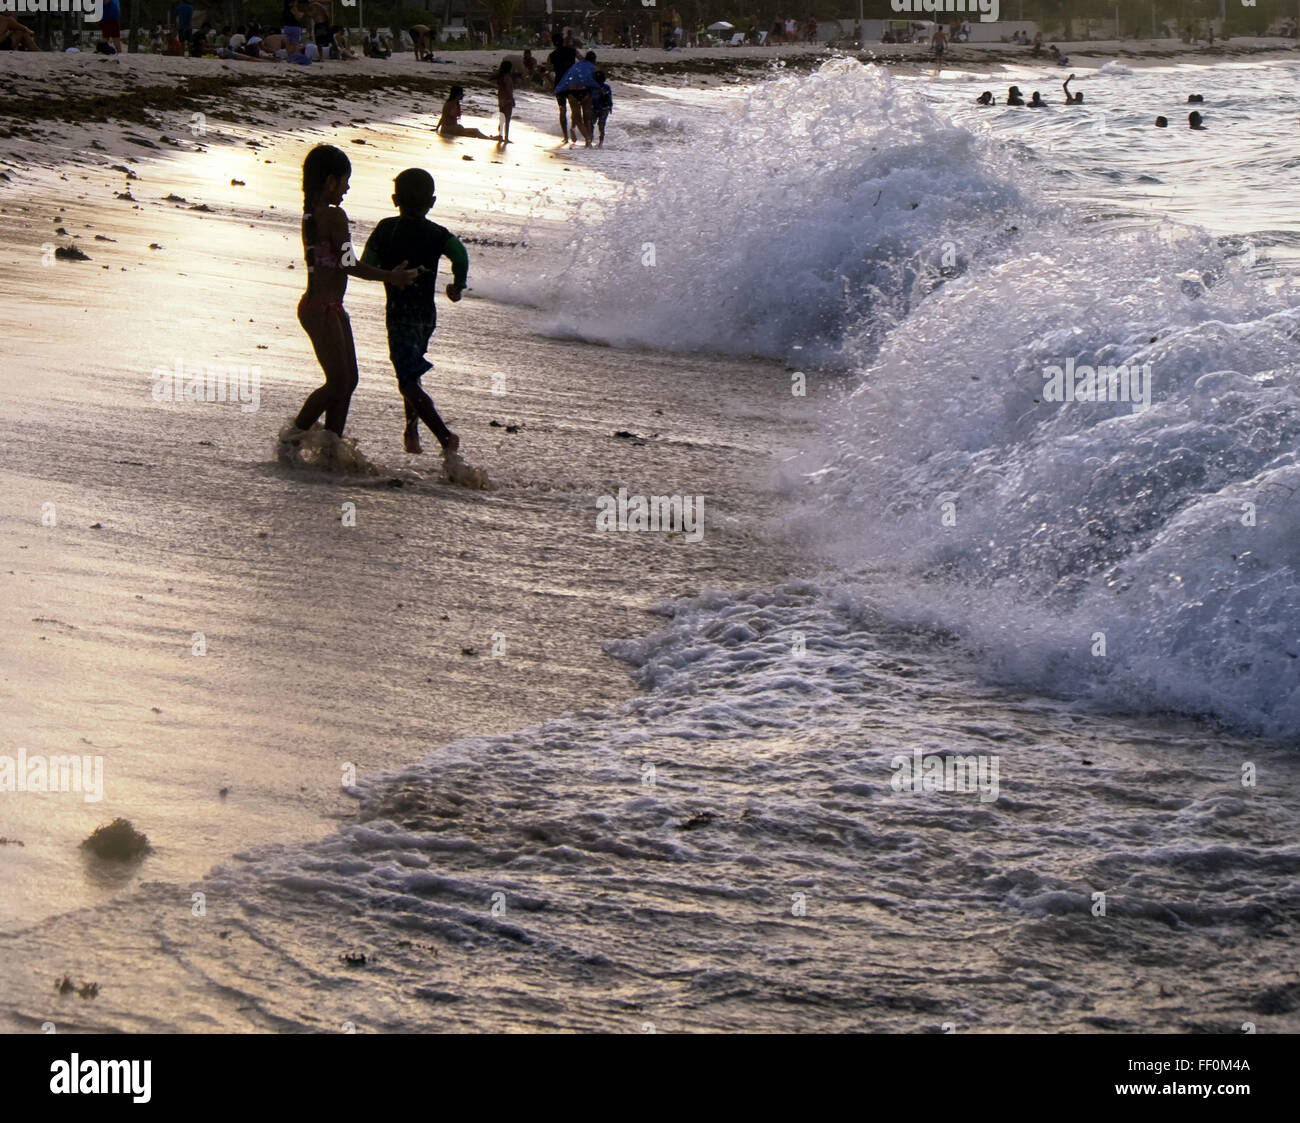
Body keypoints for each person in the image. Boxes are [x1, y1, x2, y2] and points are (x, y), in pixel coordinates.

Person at [292, 145, 416, 439]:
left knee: (348, 381)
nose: (347, 188)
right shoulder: (334, 216)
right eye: (346, 181)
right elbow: (349, 264)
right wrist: (392, 276)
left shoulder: (311, 214)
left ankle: (331, 443)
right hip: (321, 308)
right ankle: (293, 436)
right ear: (330, 181)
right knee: (338, 382)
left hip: (325, 306)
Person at [362, 169, 469, 456]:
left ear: (394, 198)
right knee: (411, 372)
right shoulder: (437, 233)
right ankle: (411, 430)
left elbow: (365, 263)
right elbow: (459, 253)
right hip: (426, 318)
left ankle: (446, 437)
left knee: (407, 379)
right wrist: (458, 284)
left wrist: (385, 274)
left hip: (399, 316)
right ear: (432, 202)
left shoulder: (386, 228)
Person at [555, 53, 600, 146]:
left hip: (572, 92)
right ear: (593, 60)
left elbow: (566, 79)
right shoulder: (592, 67)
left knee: (577, 117)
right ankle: (588, 141)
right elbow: (591, 80)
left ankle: (585, 137)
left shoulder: (575, 66)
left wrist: (559, 90)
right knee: (587, 118)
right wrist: (599, 88)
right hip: (585, 92)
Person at [548, 32, 578, 143]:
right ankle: (573, 129)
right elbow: (583, 60)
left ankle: (565, 137)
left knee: (562, 110)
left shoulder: (552, 55)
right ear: (563, 41)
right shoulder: (572, 51)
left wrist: (552, 84)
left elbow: (548, 71)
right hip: (571, 84)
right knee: (574, 108)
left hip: (559, 84)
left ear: (553, 43)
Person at [496, 59, 515, 144]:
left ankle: (500, 136)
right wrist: (512, 99)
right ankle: (506, 138)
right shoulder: (507, 78)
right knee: (507, 120)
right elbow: (508, 89)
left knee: (502, 119)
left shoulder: (501, 77)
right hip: (507, 100)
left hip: (501, 99)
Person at [592, 70, 613, 146]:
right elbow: (610, 98)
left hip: (594, 108)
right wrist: (610, 107)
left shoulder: (592, 87)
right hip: (605, 108)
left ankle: (589, 140)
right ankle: (601, 142)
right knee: (601, 125)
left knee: (591, 124)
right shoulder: (607, 87)